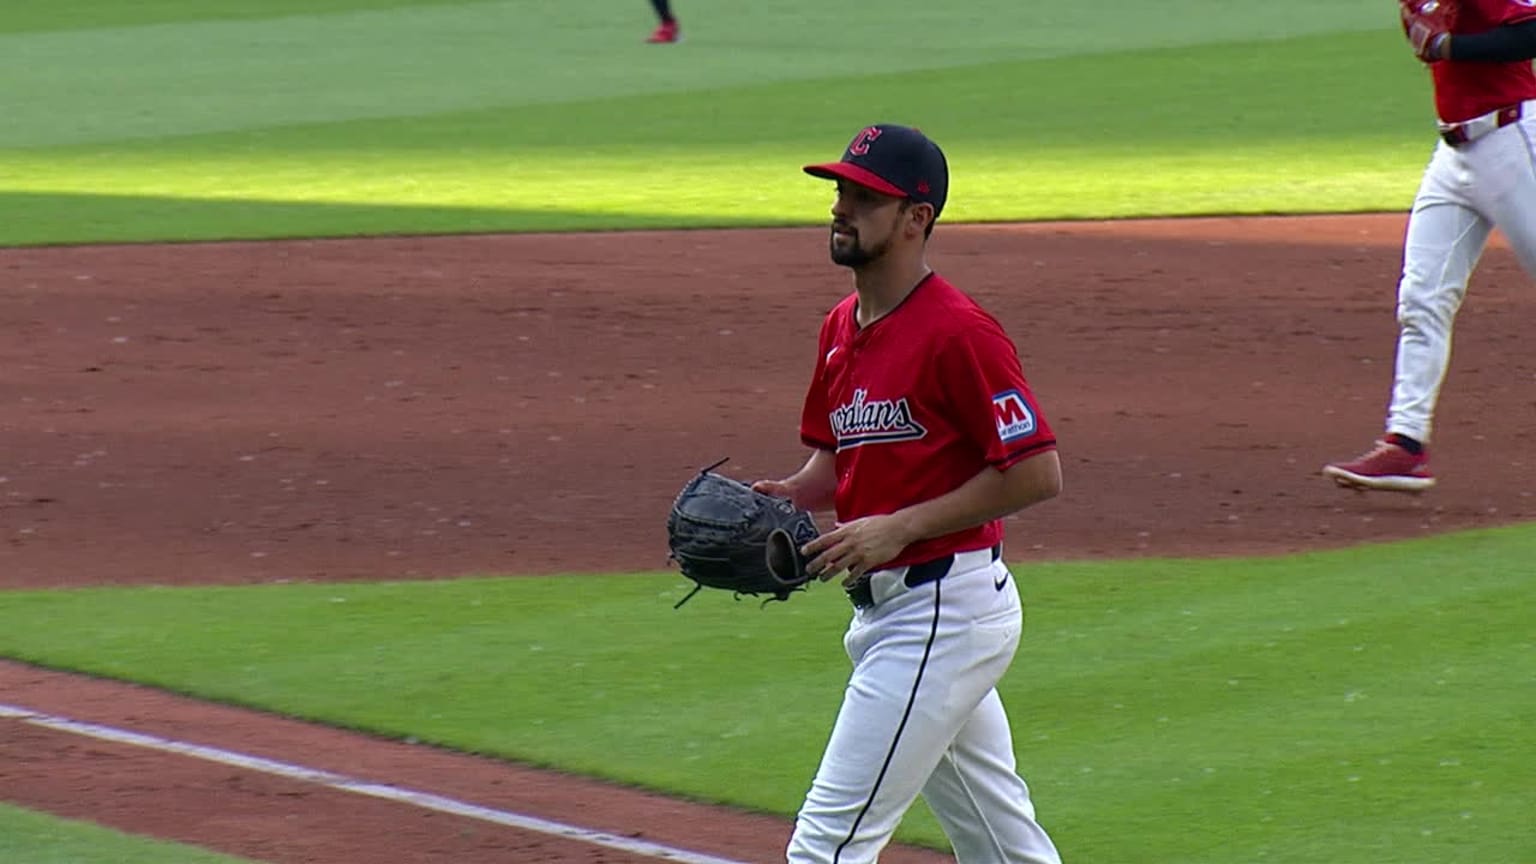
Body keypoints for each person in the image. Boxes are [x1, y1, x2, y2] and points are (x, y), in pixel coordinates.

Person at [752, 123, 1065, 864]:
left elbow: (1035, 472)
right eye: (841, 192)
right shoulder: (840, 326)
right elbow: (844, 461)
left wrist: (898, 527)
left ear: (916, 219)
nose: (840, 208)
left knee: (825, 847)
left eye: (865, 198)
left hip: (941, 611)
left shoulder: (959, 333)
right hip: (895, 612)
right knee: (1001, 845)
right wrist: (788, 495)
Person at [1323, 0, 1536, 492]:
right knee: (1422, 298)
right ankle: (1406, 444)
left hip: (1511, 143)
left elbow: (1531, 34)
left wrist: (1449, 46)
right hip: (1453, 157)